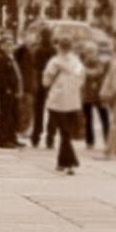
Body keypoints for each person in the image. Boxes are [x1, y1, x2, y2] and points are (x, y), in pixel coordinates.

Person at [42, 34, 85, 174]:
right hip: (72, 102)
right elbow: (81, 80)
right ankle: (63, 163)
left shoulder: (54, 62)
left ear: (59, 47)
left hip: (57, 101)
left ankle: (70, 163)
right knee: (66, 133)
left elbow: (46, 81)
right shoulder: (77, 62)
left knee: (64, 133)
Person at [0, 32, 23, 148]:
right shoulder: (0, 57)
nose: (11, 46)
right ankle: (4, 140)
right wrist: (6, 89)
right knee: (5, 115)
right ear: (2, 44)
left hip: (12, 91)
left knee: (12, 115)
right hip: (5, 92)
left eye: (12, 44)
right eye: (8, 44)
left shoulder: (8, 56)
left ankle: (12, 138)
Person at [80, 41, 110, 148]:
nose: (89, 54)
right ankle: (89, 141)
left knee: (104, 117)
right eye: (88, 51)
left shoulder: (99, 62)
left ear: (96, 52)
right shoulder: (83, 63)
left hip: (99, 94)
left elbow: (98, 72)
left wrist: (85, 71)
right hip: (87, 95)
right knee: (88, 119)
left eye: (92, 51)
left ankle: (108, 140)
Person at [30, 26, 56, 149]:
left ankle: (36, 136)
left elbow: (34, 68)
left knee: (39, 111)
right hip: (51, 82)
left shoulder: (38, 50)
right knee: (51, 111)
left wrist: (35, 83)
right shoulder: (52, 50)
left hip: (42, 81)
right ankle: (49, 137)